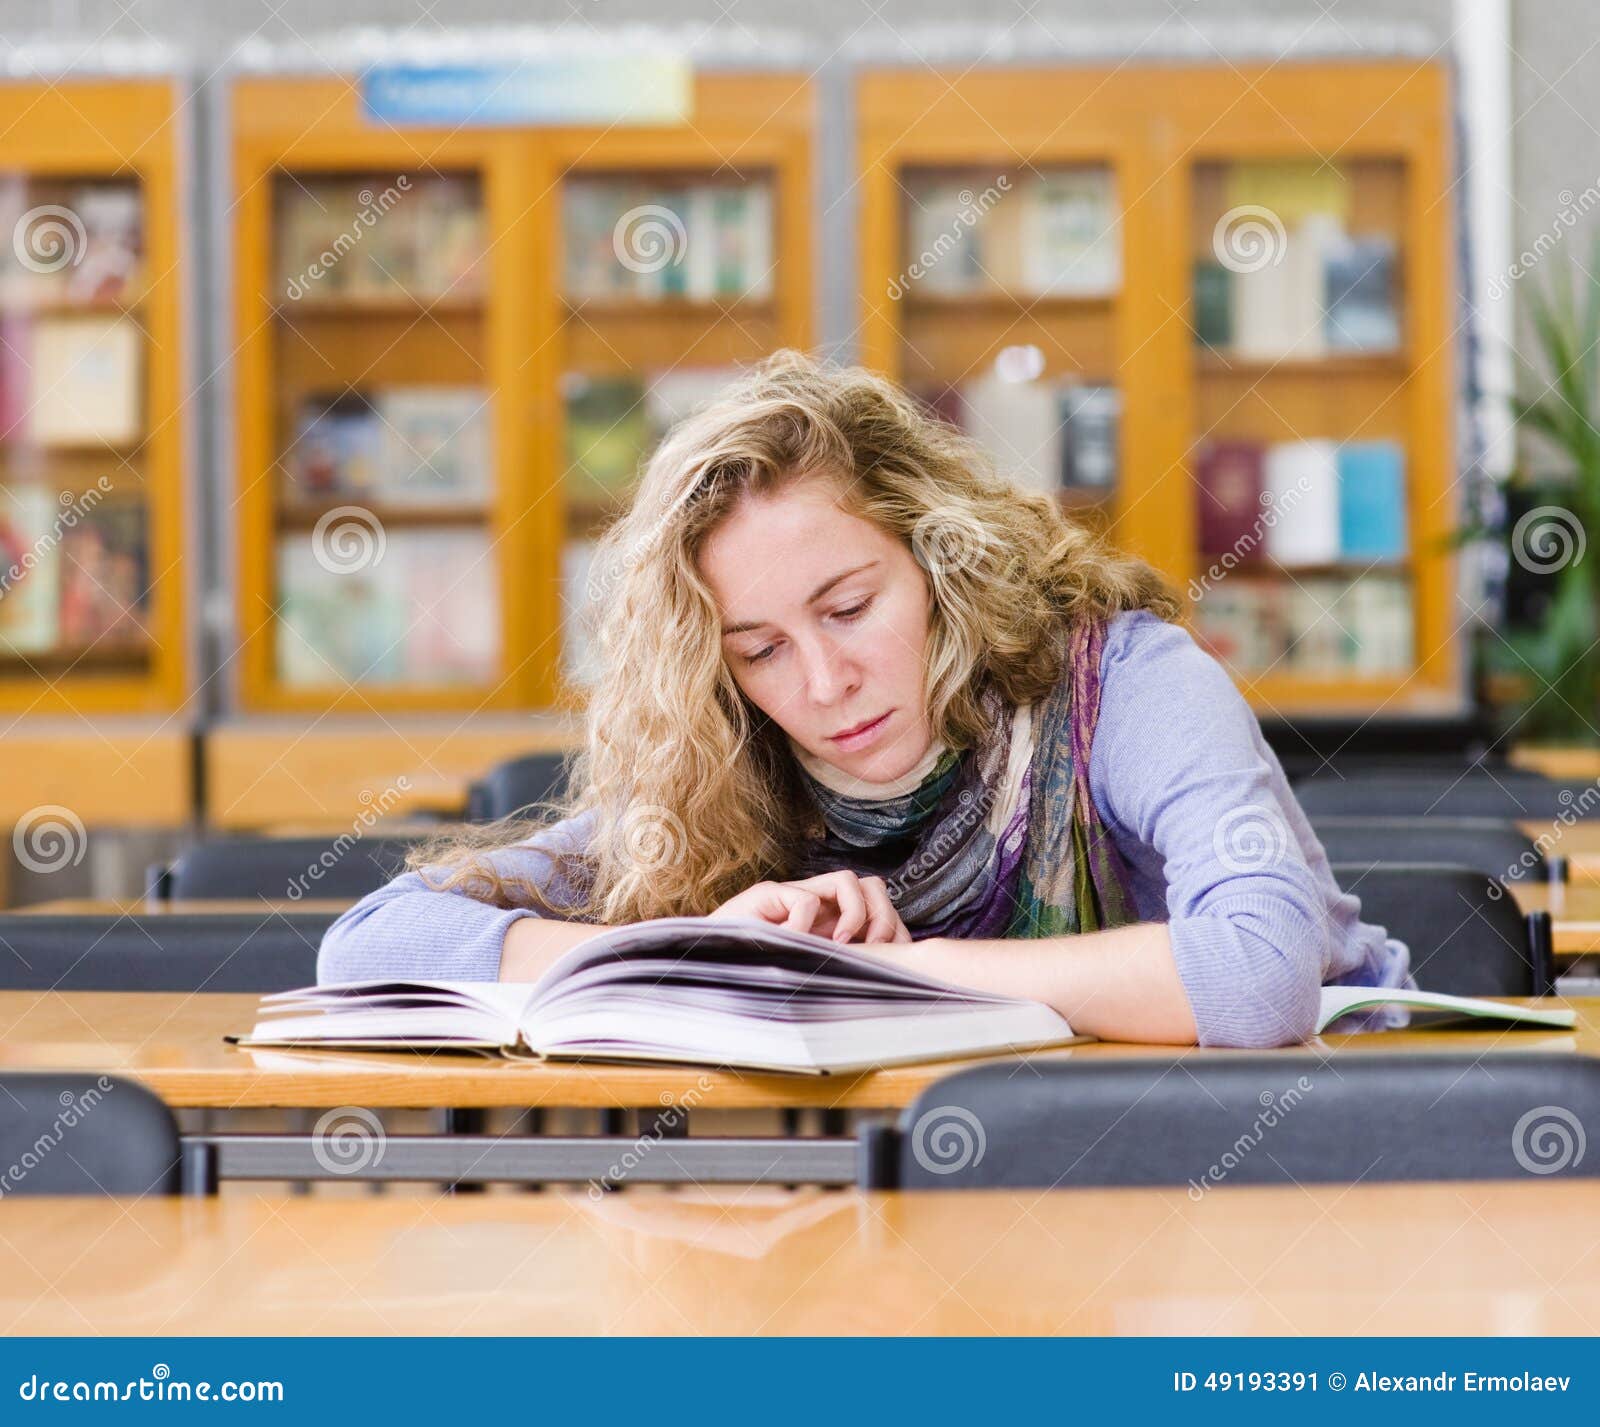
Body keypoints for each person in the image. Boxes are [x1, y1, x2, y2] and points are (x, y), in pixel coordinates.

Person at [317, 349, 1411, 1047]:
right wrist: (698, 951)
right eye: (759, 647)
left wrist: (896, 975)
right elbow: (369, 944)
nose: (823, 683)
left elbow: (1258, 971)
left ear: (942, 556)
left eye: (848, 607)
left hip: (1324, 1156)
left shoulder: (1127, 682)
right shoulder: (731, 764)